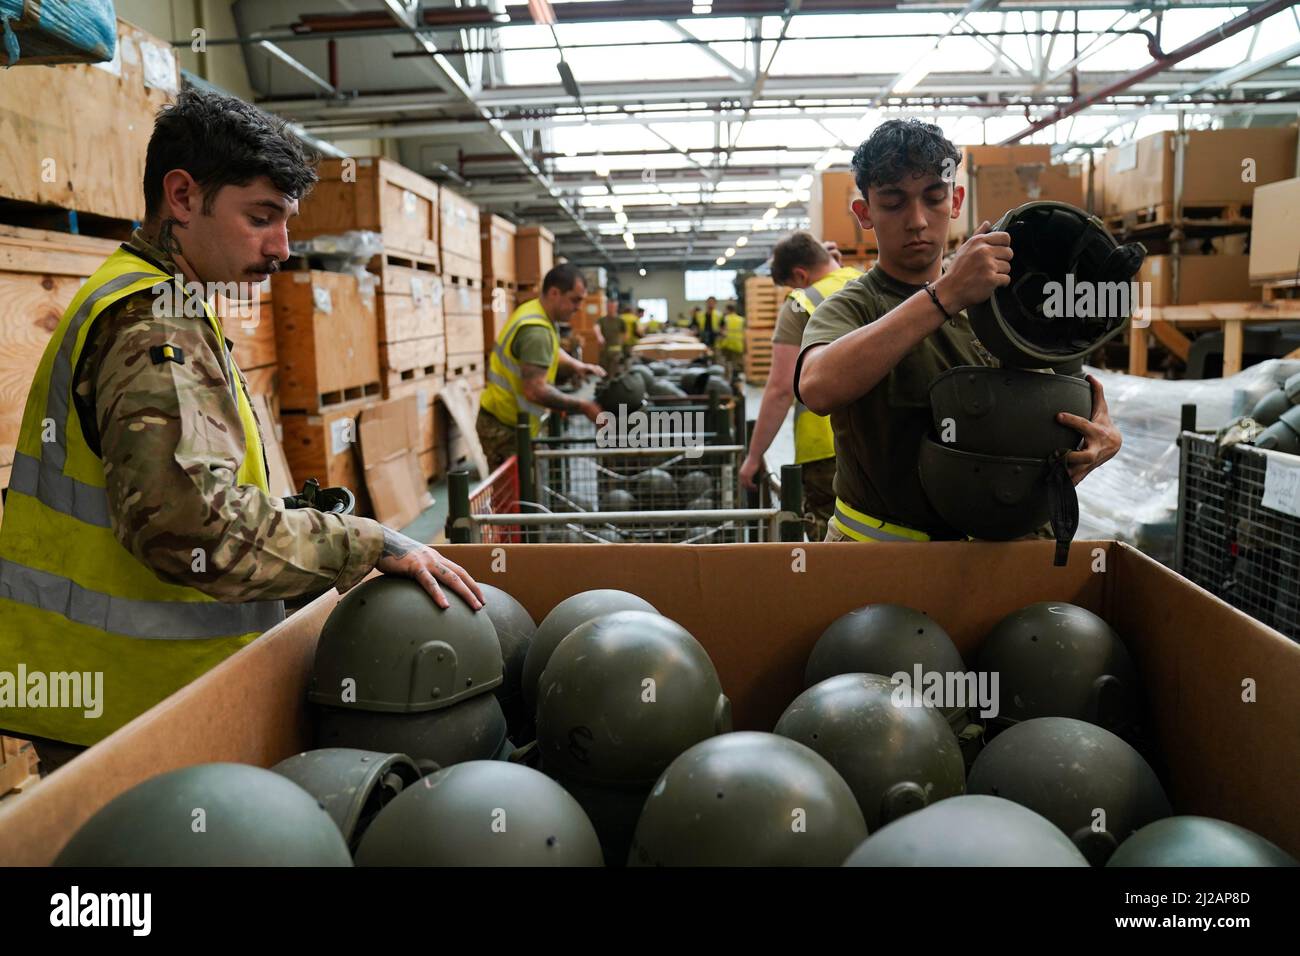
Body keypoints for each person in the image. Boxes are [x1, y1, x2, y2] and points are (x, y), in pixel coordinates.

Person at [0, 88, 485, 764]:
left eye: (285, 222)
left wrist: (288, 521)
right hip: (131, 710)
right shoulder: (152, 324)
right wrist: (359, 543)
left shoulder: (161, 301)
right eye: (261, 218)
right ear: (182, 196)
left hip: (121, 698)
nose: (283, 248)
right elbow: (190, 527)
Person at [796, 119, 1121, 543]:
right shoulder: (855, 306)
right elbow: (818, 387)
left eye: (933, 198)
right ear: (865, 213)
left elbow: (1069, 389)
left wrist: (1102, 433)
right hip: (882, 562)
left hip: (1008, 552)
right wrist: (943, 296)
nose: (917, 221)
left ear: (955, 200)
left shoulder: (1008, 299)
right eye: (894, 203)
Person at [741, 232, 862, 540]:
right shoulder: (866, 282)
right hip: (882, 438)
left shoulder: (800, 304)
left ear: (800, 274)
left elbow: (781, 389)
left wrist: (755, 457)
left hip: (824, 448)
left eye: (792, 285)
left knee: (829, 537)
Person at [478, 264, 606, 470]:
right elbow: (535, 391)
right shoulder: (536, 330)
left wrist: (576, 365)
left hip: (508, 419)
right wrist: (583, 406)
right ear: (555, 293)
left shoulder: (535, 312)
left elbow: (550, 349)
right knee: (519, 498)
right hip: (506, 428)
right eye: (575, 299)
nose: (579, 307)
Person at [718, 302, 747, 380]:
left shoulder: (725, 318)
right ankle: (735, 379)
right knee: (737, 365)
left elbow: (721, 331)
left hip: (727, 345)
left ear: (727, 310)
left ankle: (728, 379)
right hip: (738, 345)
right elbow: (744, 334)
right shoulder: (741, 319)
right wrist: (745, 346)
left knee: (727, 363)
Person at [597, 299, 625, 375]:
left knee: (614, 370)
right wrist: (599, 336)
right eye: (609, 306)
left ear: (616, 307)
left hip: (616, 350)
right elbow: (596, 327)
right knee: (604, 370)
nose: (611, 308)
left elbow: (624, 334)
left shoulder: (620, 320)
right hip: (605, 349)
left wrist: (621, 344)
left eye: (613, 306)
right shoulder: (602, 320)